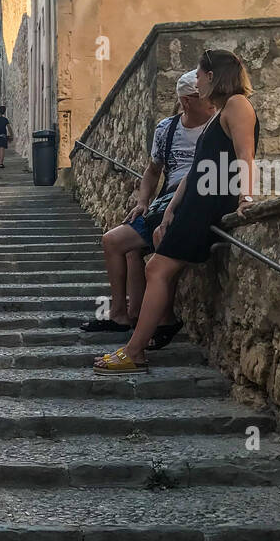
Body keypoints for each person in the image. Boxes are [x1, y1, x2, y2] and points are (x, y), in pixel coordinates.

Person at [94, 49, 259, 375]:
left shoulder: (238, 105)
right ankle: (138, 347)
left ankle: (135, 351)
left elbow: (245, 155)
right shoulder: (222, 110)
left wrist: (247, 198)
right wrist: (170, 208)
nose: (197, 83)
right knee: (157, 267)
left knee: (157, 268)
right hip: (193, 203)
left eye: (199, 75)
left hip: (209, 203)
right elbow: (197, 168)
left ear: (211, 76)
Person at [80, 70, 215, 344]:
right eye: (204, 96)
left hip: (195, 201)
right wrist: (143, 201)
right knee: (116, 243)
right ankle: (124, 314)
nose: (212, 101)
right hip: (165, 201)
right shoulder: (167, 129)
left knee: (147, 248)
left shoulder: (217, 126)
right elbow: (153, 170)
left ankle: (156, 319)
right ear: (188, 101)